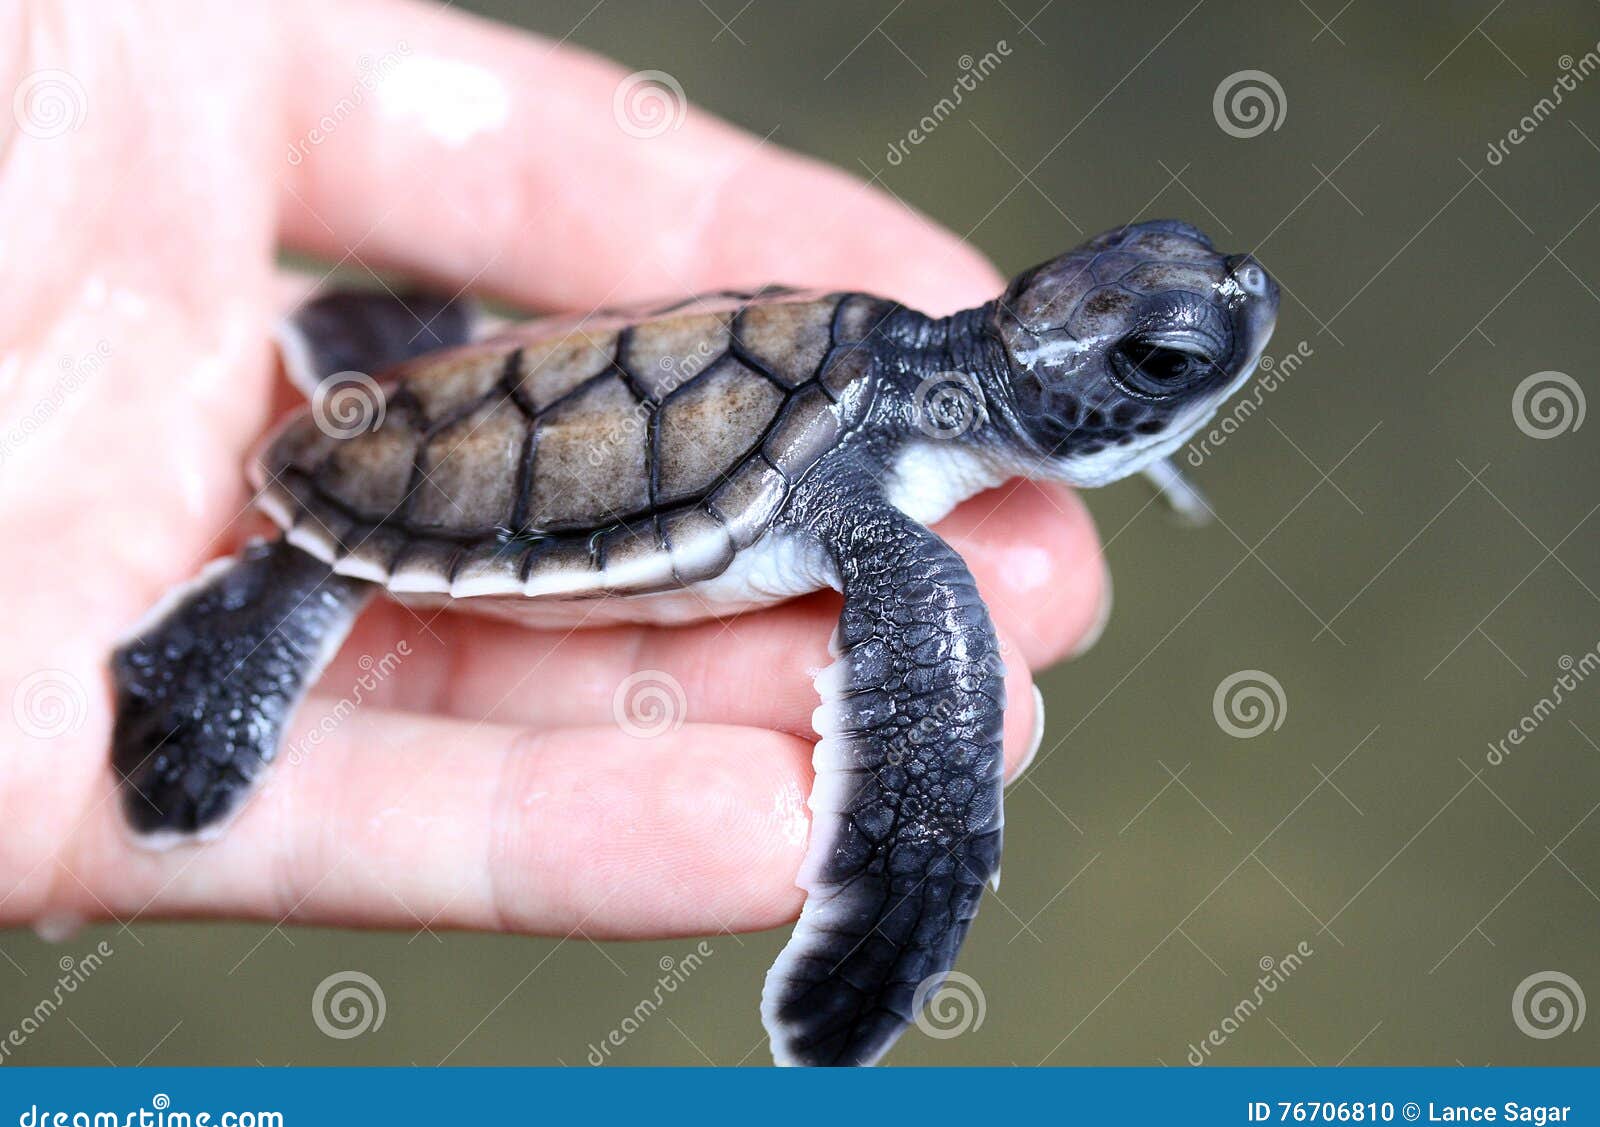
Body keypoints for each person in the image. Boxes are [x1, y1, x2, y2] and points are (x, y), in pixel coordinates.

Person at [0, 0, 1107, 945]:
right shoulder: (887, 505)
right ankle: (281, 584)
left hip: (491, 389)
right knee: (947, 692)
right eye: (1160, 369)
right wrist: (902, 899)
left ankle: (394, 367)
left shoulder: (879, 333)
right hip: (448, 476)